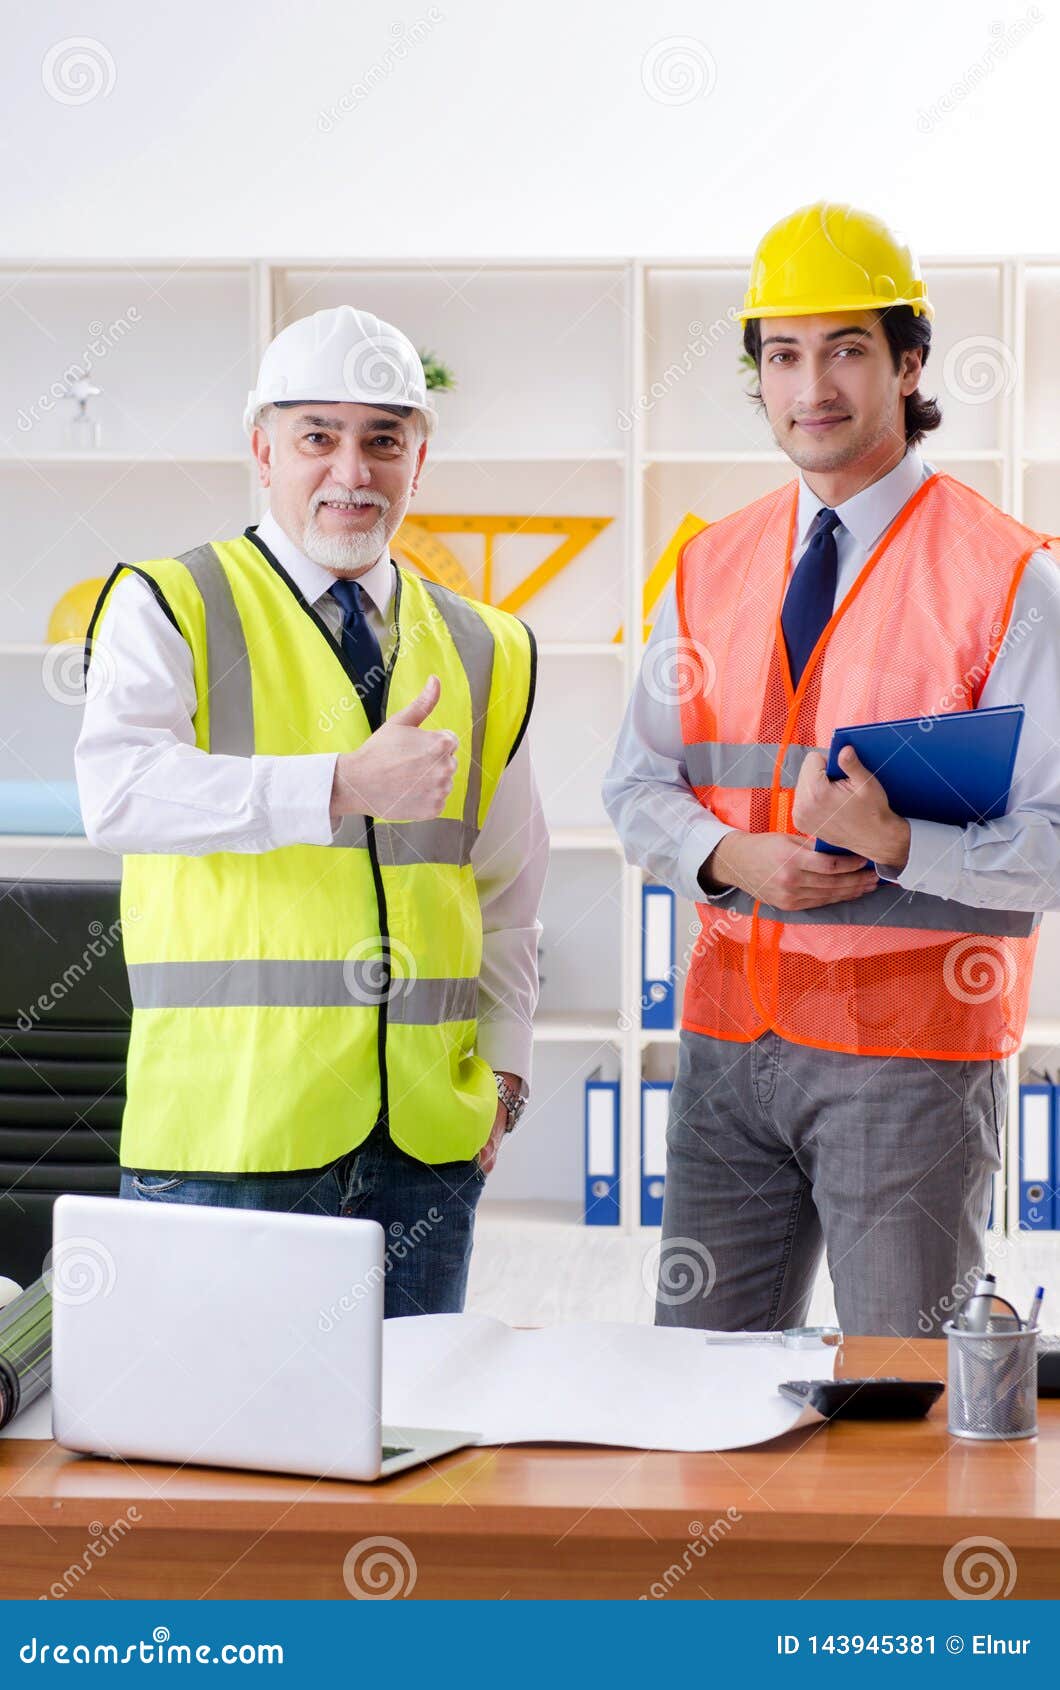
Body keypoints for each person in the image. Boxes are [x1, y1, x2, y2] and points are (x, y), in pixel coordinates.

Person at [604, 202, 1060, 1338]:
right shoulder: (707, 566)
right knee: (696, 1385)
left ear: (908, 363)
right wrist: (727, 853)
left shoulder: (1011, 578)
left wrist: (902, 844)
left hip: (908, 1061)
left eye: (846, 349)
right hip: (724, 1050)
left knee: (897, 1392)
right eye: (783, 354)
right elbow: (636, 786)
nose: (812, 386)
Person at [76, 305, 548, 1317]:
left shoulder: (488, 646)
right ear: (263, 451)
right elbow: (115, 793)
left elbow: (508, 891)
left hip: (424, 1149)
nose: (352, 471)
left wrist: (505, 1074)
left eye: (383, 440)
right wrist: (335, 785)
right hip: (228, 1142)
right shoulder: (171, 603)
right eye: (317, 438)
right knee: (211, 1417)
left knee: (411, 1413)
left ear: (419, 460)